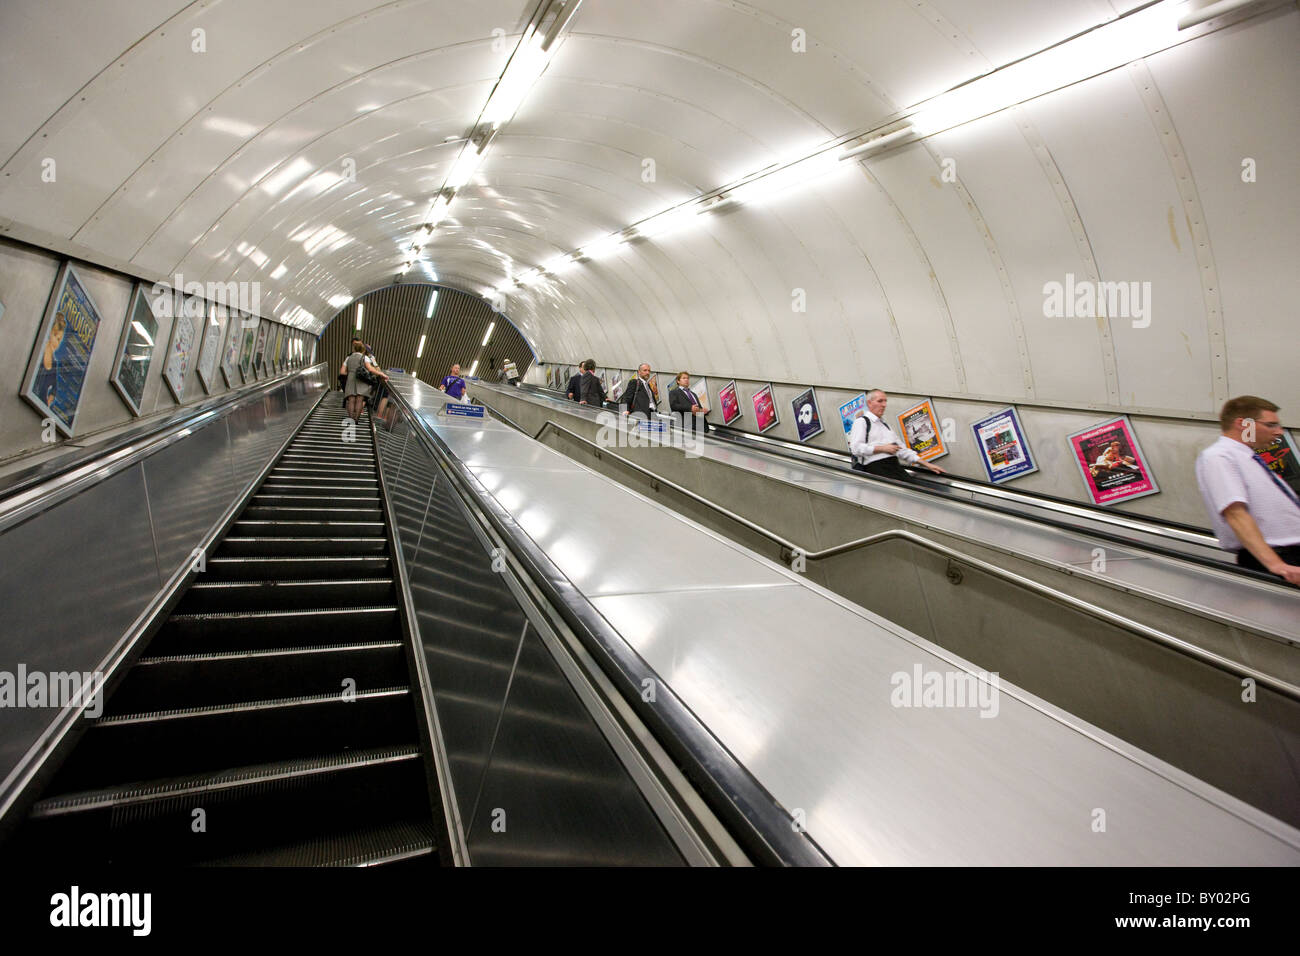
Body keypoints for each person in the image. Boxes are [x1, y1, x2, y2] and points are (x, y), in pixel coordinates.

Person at [1194, 395, 1300, 586]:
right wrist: (1277, 565)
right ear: (1244, 425)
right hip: (1277, 558)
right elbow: (1235, 513)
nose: (1279, 432)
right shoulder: (1219, 457)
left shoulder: (1247, 458)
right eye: (1271, 425)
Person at [849, 388, 945, 480]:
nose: (884, 405)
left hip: (893, 466)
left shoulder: (885, 425)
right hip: (875, 468)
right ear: (869, 403)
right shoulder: (861, 422)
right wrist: (882, 448)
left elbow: (901, 450)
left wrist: (927, 465)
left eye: (885, 401)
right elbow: (855, 448)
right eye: (880, 401)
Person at [33, 311, 67, 409]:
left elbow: (55, 388)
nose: (57, 342)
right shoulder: (37, 351)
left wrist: (49, 400)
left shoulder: (55, 363)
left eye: (59, 339)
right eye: (55, 336)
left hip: (39, 405)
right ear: (49, 332)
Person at [342, 342, 375, 421]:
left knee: (351, 399)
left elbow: (342, 372)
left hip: (350, 379)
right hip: (361, 380)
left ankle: (350, 418)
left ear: (354, 349)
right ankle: (356, 419)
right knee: (360, 399)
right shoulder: (365, 358)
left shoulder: (348, 358)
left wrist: (351, 373)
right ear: (363, 350)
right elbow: (370, 369)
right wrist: (381, 374)